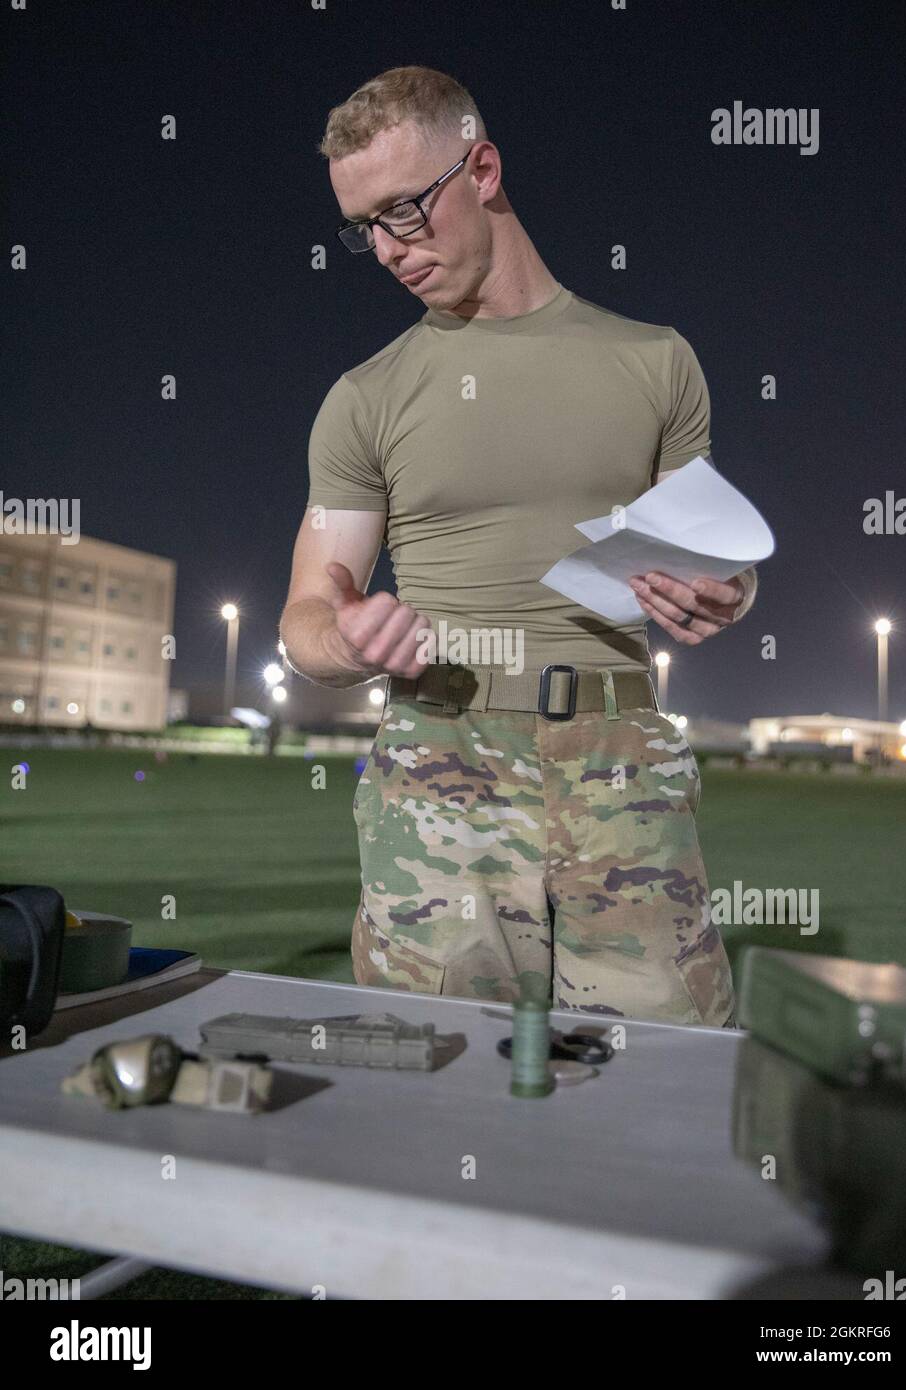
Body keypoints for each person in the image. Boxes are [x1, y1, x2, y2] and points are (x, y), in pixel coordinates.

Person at [280, 67, 759, 1027]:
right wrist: (349, 641)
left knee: (658, 1089)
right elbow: (306, 618)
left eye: (404, 211)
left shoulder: (655, 361)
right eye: (362, 226)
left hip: (621, 757)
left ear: (483, 168)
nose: (385, 249)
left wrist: (724, 594)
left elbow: (712, 551)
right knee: (434, 1085)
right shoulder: (365, 398)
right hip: (437, 759)